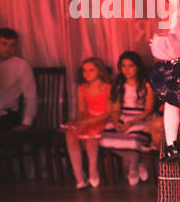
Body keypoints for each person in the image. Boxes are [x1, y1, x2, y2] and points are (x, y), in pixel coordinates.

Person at [99, 51, 156, 185]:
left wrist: (131, 122)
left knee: (133, 140)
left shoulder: (146, 85)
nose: (127, 70)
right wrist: (116, 121)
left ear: (138, 67)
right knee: (106, 139)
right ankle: (136, 161)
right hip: (123, 116)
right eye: (123, 66)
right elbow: (115, 108)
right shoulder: (119, 85)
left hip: (140, 117)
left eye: (131, 66)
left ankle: (132, 170)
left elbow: (148, 109)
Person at [148, 0, 180, 162]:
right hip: (179, 67)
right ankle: (171, 144)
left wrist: (158, 45)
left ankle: (172, 144)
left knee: (171, 103)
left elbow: (175, 46)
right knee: (170, 105)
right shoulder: (175, 16)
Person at [60, 58, 112, 188]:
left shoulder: (107, 88)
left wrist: (89, 122)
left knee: (91, 140)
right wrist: (81, 123)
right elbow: (81, 110)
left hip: (101, 120)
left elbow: (108, 112)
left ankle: (93, 172)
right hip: (87, 119)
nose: (87, 73)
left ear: (99, 72)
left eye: (91, 70)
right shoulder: (82, 88)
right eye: (84, 70)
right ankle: (79, 177)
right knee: (71, 135)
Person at [0, 27, 37, 144]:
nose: (8, 48)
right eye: (4, 44)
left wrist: (26, 123)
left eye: (12, 45)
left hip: (8, 113)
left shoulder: (21, 65)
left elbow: (31, 95)